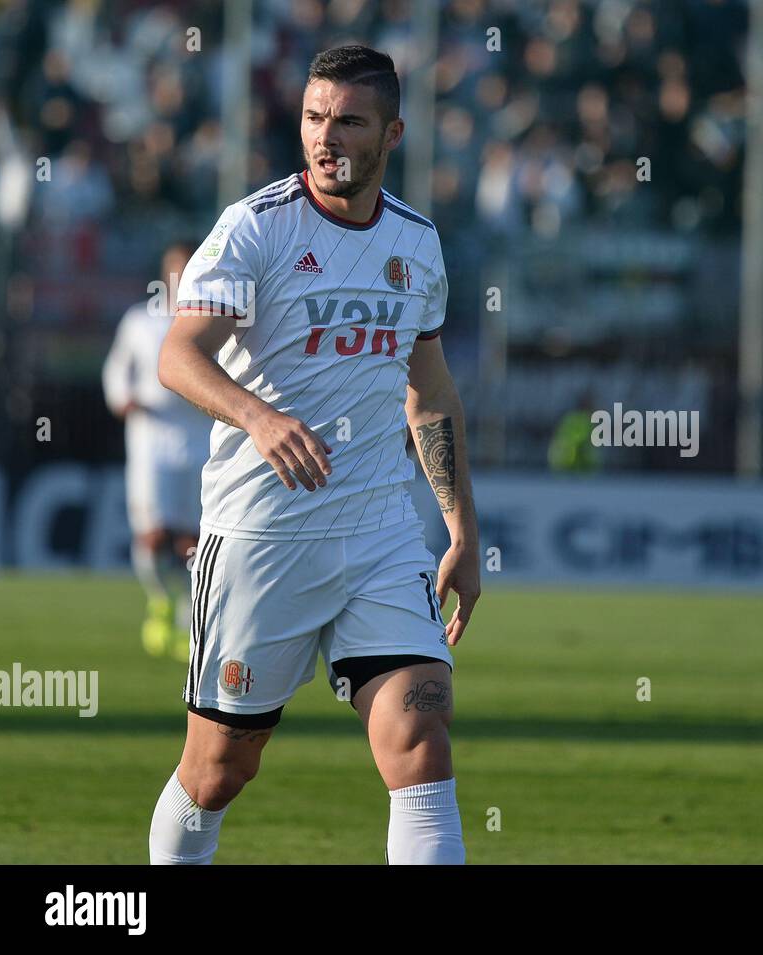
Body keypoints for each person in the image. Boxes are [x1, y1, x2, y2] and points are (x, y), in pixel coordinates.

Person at [149, 45, 480, 864]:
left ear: (392, 133)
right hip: (261, 536)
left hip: (378, 533)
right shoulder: (255, 228)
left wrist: (461, 531)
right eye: (313, 117)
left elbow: (428, 390)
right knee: (221, 767)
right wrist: (258, 416)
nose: (326, 137)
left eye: (349, 121)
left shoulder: (417, 243)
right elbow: (179, 355)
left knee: (421, 741)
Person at [102, 239, 210, 660]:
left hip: (200, 436)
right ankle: (160, 598)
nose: (179, 276)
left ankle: (187, 612)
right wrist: (122, 397)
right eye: (174, 268)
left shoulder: (211, 319)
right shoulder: (140, 321)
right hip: (151, 437)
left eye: (187, 267)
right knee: (152, 535)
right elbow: (116, 370)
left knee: (193, 540)